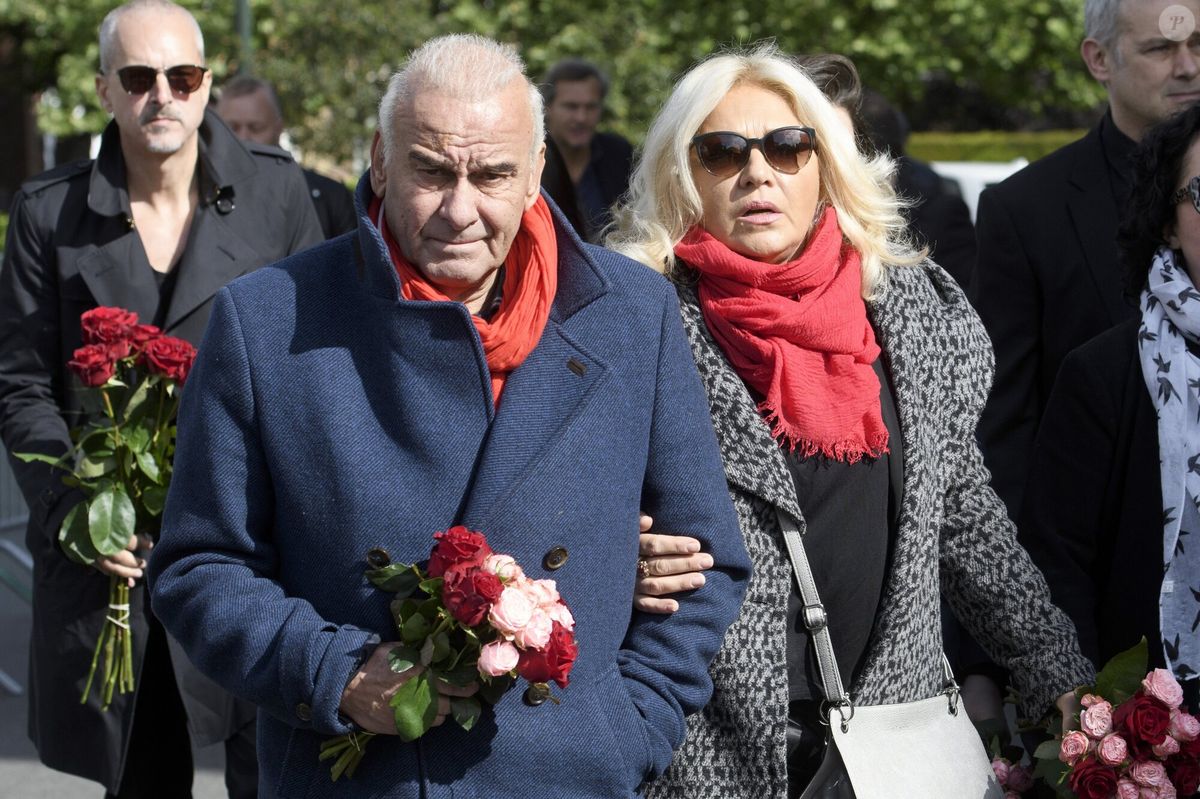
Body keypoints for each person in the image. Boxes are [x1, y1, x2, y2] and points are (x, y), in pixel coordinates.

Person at [147, 34, 750, 798]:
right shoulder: (267, 320)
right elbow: (199, 567)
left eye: (493, 174)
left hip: (572, 776)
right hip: (362, 776)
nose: (460, 209)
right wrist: (335, 674)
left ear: (535, 173)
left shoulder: (632, 315)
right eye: (431, 170)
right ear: (380, 160)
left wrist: (628, 729)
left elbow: (708, 561)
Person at [607, 44, 1094, 798]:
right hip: (705, 753)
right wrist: (617, 562)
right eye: (722, 151)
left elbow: (964, 518)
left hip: (895, 748)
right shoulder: (631, 328)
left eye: (788, 147)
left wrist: (1056, 672)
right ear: (682, 174)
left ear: (827, 165)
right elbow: (559, 522)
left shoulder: (917, 315)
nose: (758, 172)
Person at [0, 2, 324, 796]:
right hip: (118, 560)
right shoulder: (50, 211)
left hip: (256, 549)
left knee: (272, 770)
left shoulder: (276, 196)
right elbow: (20, 382)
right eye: (140, 78)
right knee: (141, 771)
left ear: (206, 84)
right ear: (107, 89)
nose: (163, 97)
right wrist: (79, 502)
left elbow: (319, 371)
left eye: (183, 77)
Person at [971, 0, 1200, 523]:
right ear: (1099, 60)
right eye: (1161, 48)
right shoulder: (1026, 210)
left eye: (1199, 44)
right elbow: (1004, 425)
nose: (1187, 66)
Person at [1018, 102, 1200, 721]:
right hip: (1156, 730)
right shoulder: (1103, 372)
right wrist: (1095, 720)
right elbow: (1057, 561)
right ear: (1169, 222)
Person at [215, 75, 357, 239]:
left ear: (278, 128)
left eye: (256, 128)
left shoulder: (329, 199)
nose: (243, 138)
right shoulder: (197, 195)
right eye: (232, 128)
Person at [538, 58, 633, 242]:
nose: (581, 117)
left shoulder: (618, 155)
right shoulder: (528, 159)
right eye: (571, 107)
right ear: (547, 108)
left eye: (590, 107)